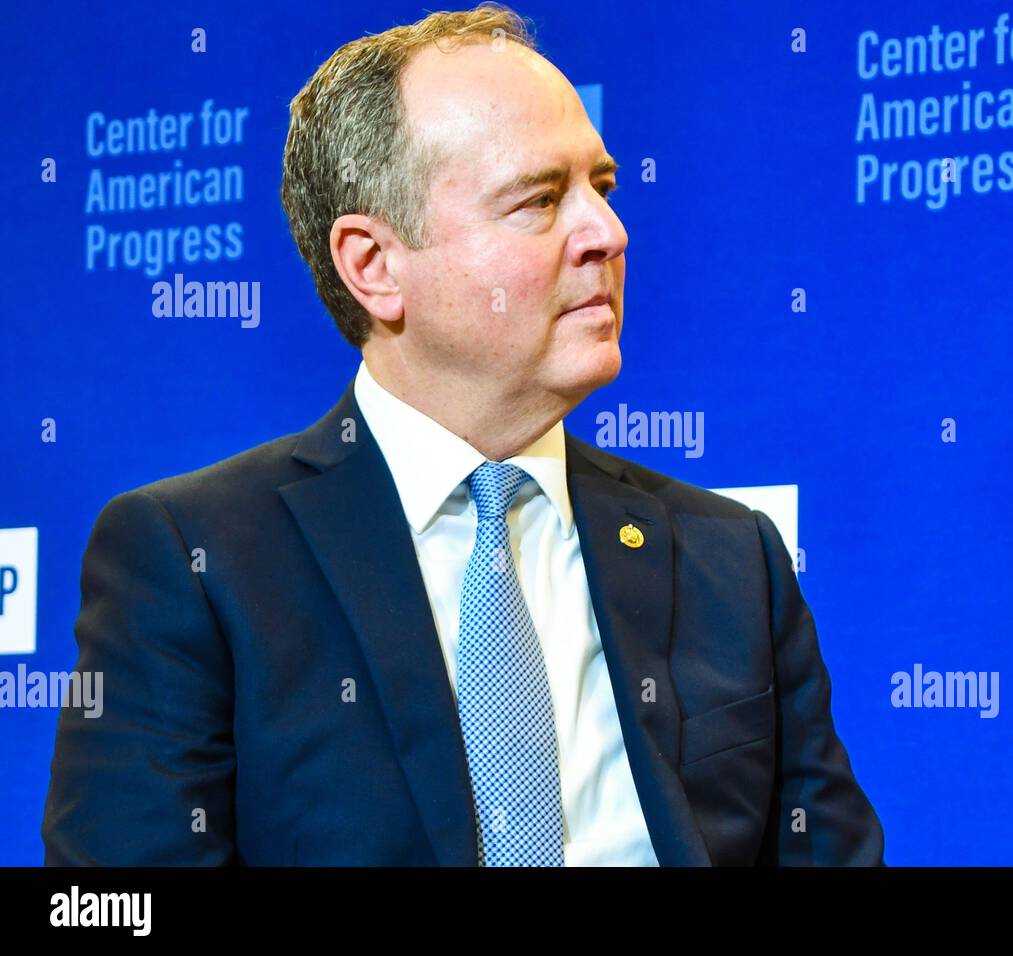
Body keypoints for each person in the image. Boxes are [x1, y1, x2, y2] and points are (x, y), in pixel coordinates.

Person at [42, 2, 885, 866]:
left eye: (602, 187)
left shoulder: (728, 555)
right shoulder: (195, 557)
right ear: (374, 266)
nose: (608, 233)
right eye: (540, 199)